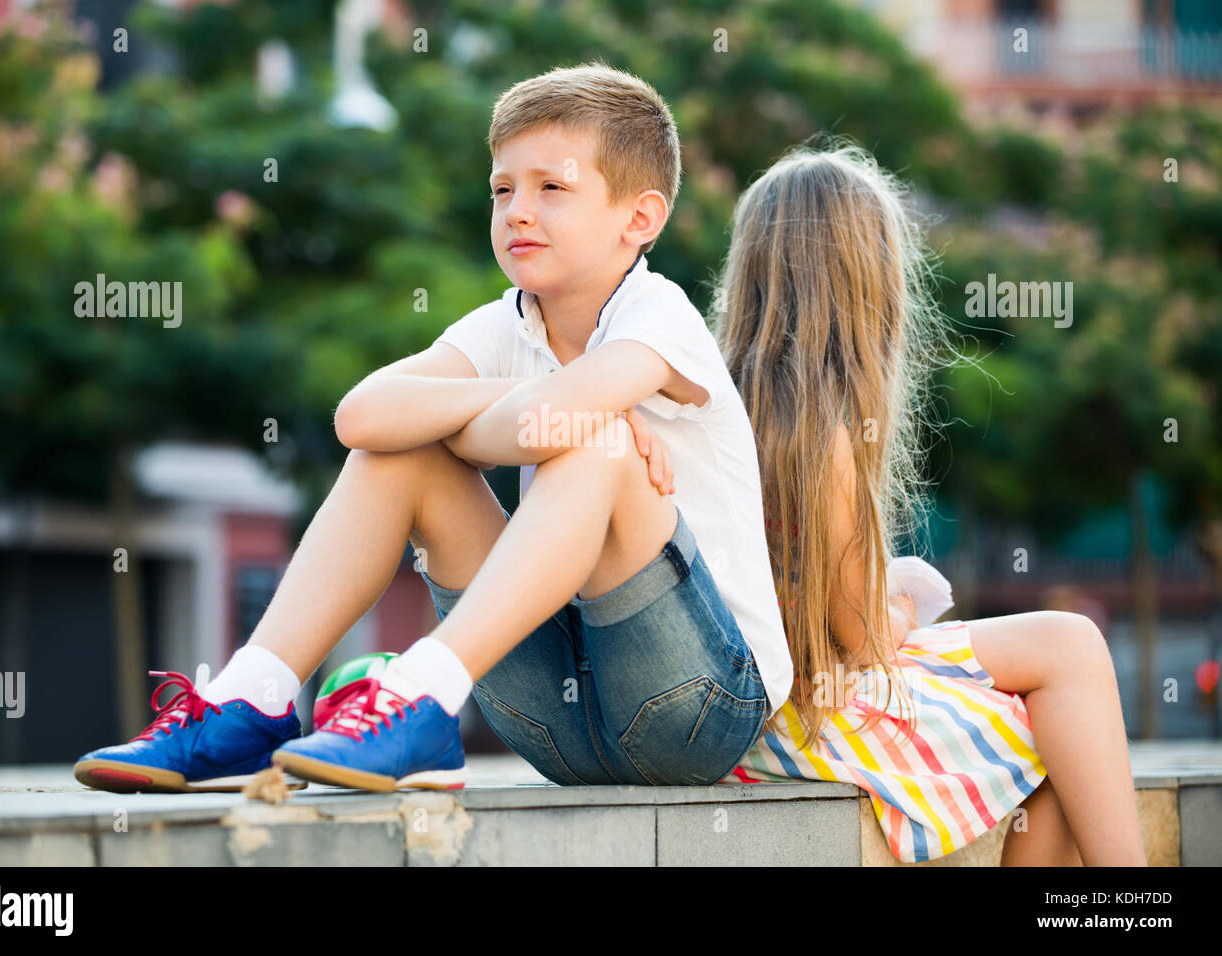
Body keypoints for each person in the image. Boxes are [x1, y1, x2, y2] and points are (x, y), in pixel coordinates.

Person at [73, 62, 792, 795]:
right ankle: (251, 702)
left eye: (552, 187)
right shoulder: (506, 323)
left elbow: (542, 427)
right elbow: (363, 415)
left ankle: (418, 691)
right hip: (558, 723)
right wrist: (521, 401)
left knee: (596, 442)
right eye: (503, 189)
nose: (518, 211)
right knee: (397, 454)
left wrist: (496, 417)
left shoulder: (659, 316)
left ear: (639, 219)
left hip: (698, 708)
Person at [711, 140, 1146, 866]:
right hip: (802, 714)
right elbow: (861, 640)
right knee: (1065, 672)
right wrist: (903, 604)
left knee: (1063, 686)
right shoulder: (823, 436)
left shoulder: (722, 407)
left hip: (748, 711)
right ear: (868, 284)